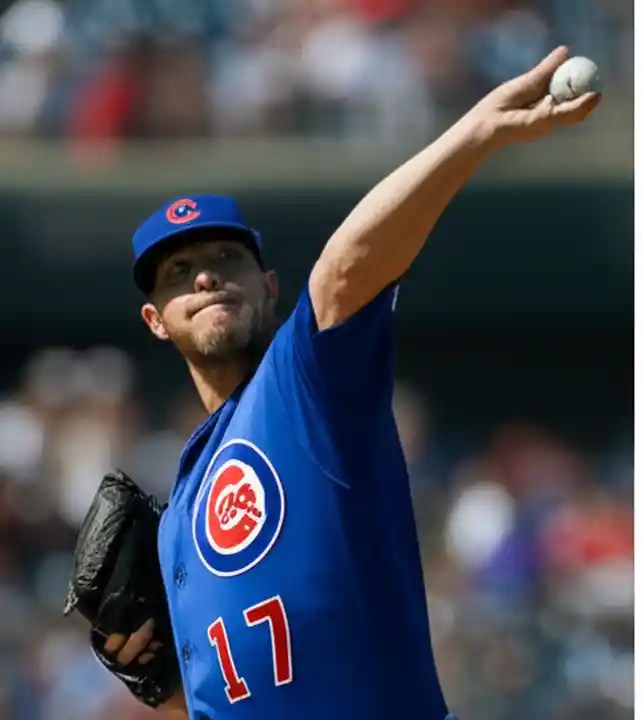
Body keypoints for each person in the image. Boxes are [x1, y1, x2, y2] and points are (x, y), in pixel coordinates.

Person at [97, 47, 599, 719]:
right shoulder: (179, 508)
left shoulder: (303, 387)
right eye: (179, 271)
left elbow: (343, 271)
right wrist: (148, 673)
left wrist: (477, 133)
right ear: (155, 320)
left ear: (269, 288)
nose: (207, 277)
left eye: (225, 258)